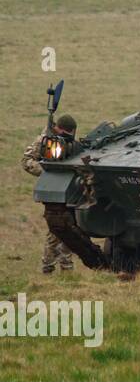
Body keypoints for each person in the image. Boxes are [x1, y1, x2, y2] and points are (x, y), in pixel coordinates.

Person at [21, 115, 77, 273]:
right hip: (54, 190)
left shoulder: (65, 139)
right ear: (58, 128)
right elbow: (26, 161)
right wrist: (47, 171)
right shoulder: (44, 140)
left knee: (70, 229)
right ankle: (48, 267)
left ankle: (66, 268)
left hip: (69, 189)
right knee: (55, 232)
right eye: (65, 132)